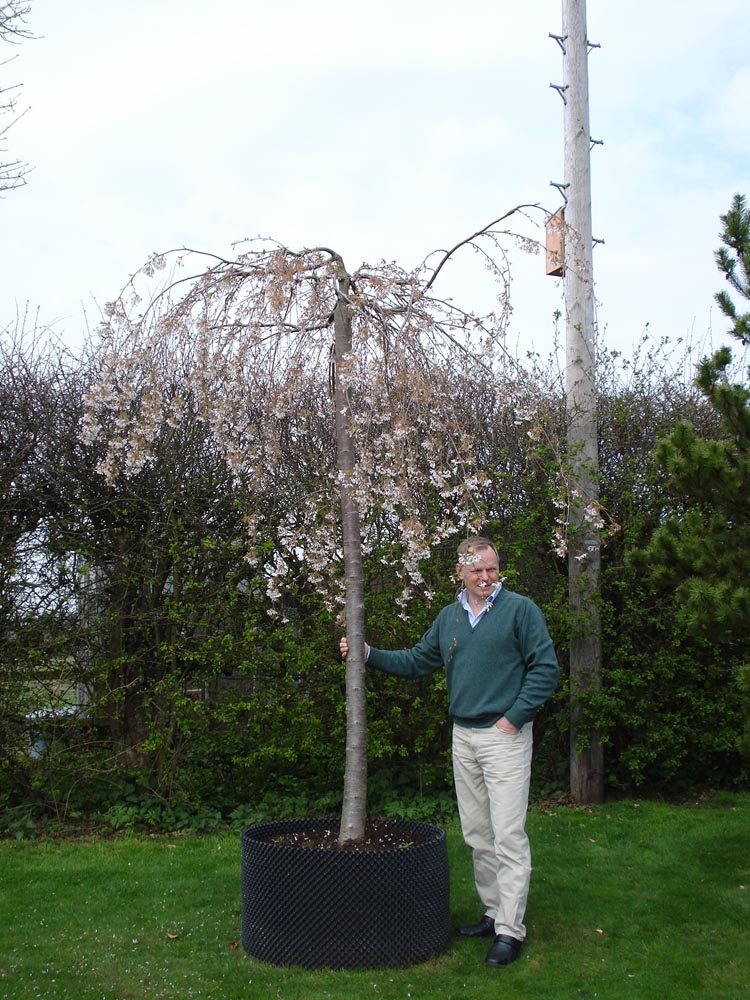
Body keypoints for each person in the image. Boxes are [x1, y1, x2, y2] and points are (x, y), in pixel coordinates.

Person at [339, 535, 559, 968]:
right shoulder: (449, 618)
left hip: (505, 738)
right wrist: (366, 654)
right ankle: (494, 913)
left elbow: (545, 668)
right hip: (465, 737)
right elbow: (417, 661)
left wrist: (514, 717)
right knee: (478, 834)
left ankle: (511, 931)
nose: (485, 577)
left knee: (508, 835)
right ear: (459, 571)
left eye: (491, 569)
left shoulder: (521, 611)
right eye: (476, 569)